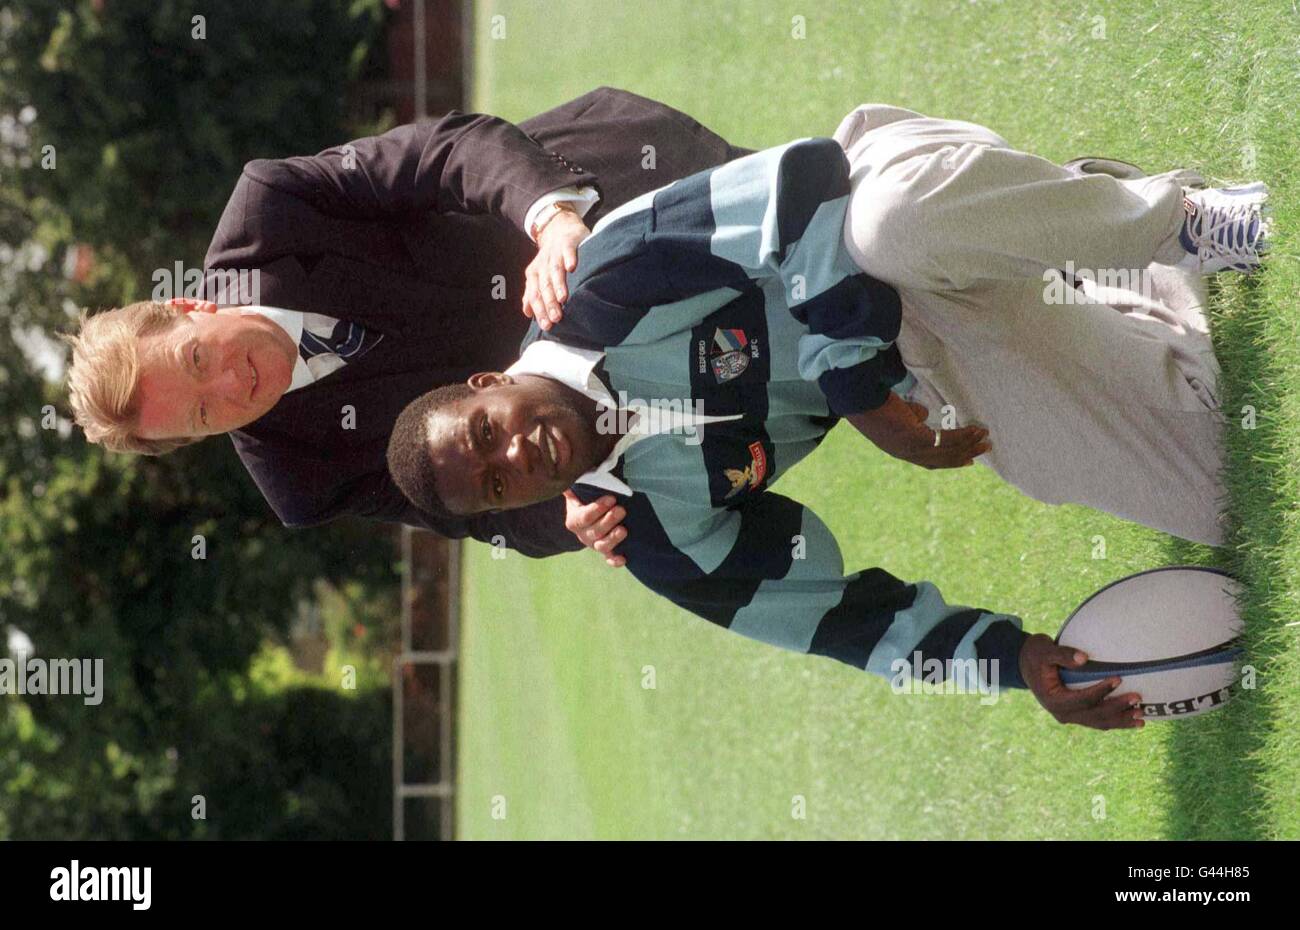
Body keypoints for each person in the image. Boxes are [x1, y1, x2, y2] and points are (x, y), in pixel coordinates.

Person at [385, 116, 1269, 728]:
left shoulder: (596, 285)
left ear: (486, 381)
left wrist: (853, 389)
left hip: (881, 201)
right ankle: (1111, 273)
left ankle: (1178, 223)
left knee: (891, 225)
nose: (516, 455)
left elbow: (803, 181)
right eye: (498, 483)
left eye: (484, 432)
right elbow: (836, 623)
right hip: (925, 350)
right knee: (1229, 494)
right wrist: (1011, 660)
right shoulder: (649, 533)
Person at [61, 87, 750, 557]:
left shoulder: (272, 210)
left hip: (619, 200)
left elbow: (446, 153)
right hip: (637, 385)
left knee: (841, 219)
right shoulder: (302, 478)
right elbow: (471, 506)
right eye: (205, 414)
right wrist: (570, 513)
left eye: (197, 362)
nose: (233, 387)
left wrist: (550, 218)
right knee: (827, 359)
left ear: (189, 308)